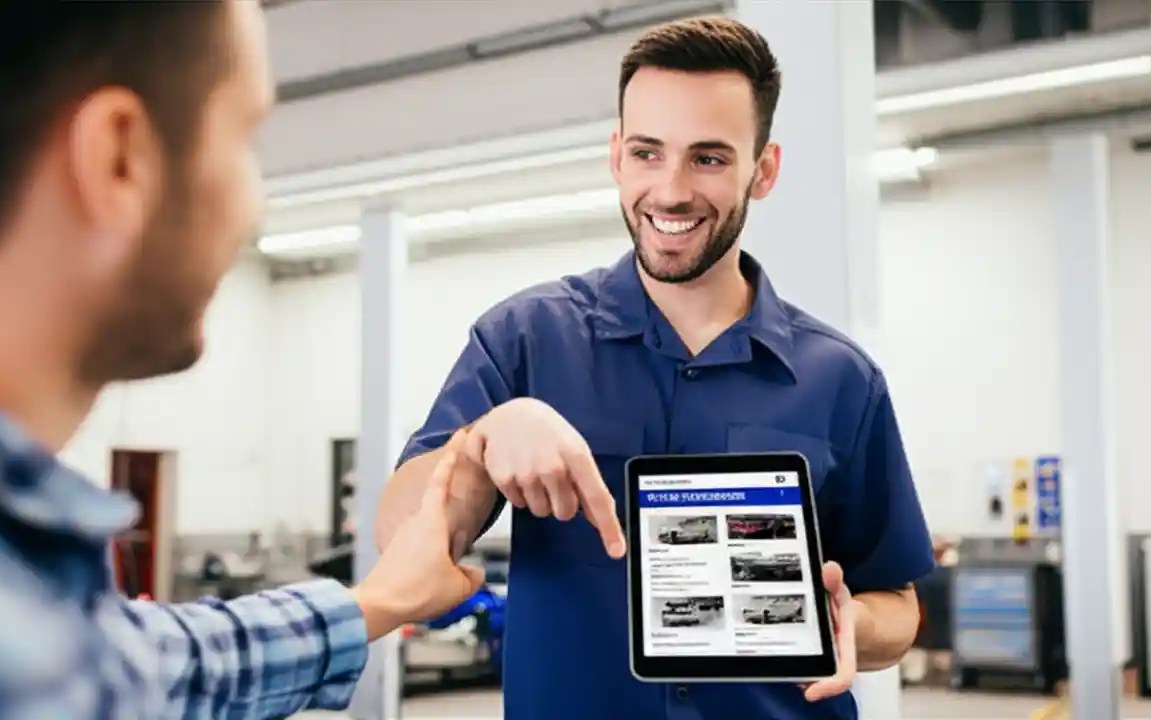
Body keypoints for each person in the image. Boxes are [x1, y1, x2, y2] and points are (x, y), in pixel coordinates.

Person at [0, 2, 482, 718]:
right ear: (120, 159)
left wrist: (382, 599)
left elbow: (135, 658)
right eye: (243, 138)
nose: (252, 205)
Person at [376, 15, 935, 720]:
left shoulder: (841, 379)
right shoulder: (525, 340)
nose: (670, 191)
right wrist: (481, 439)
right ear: (616, 156)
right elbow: (401, 533)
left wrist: (847, 621)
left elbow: (901, 605)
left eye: (708, 158)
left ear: (763, 171)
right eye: (647, 153)